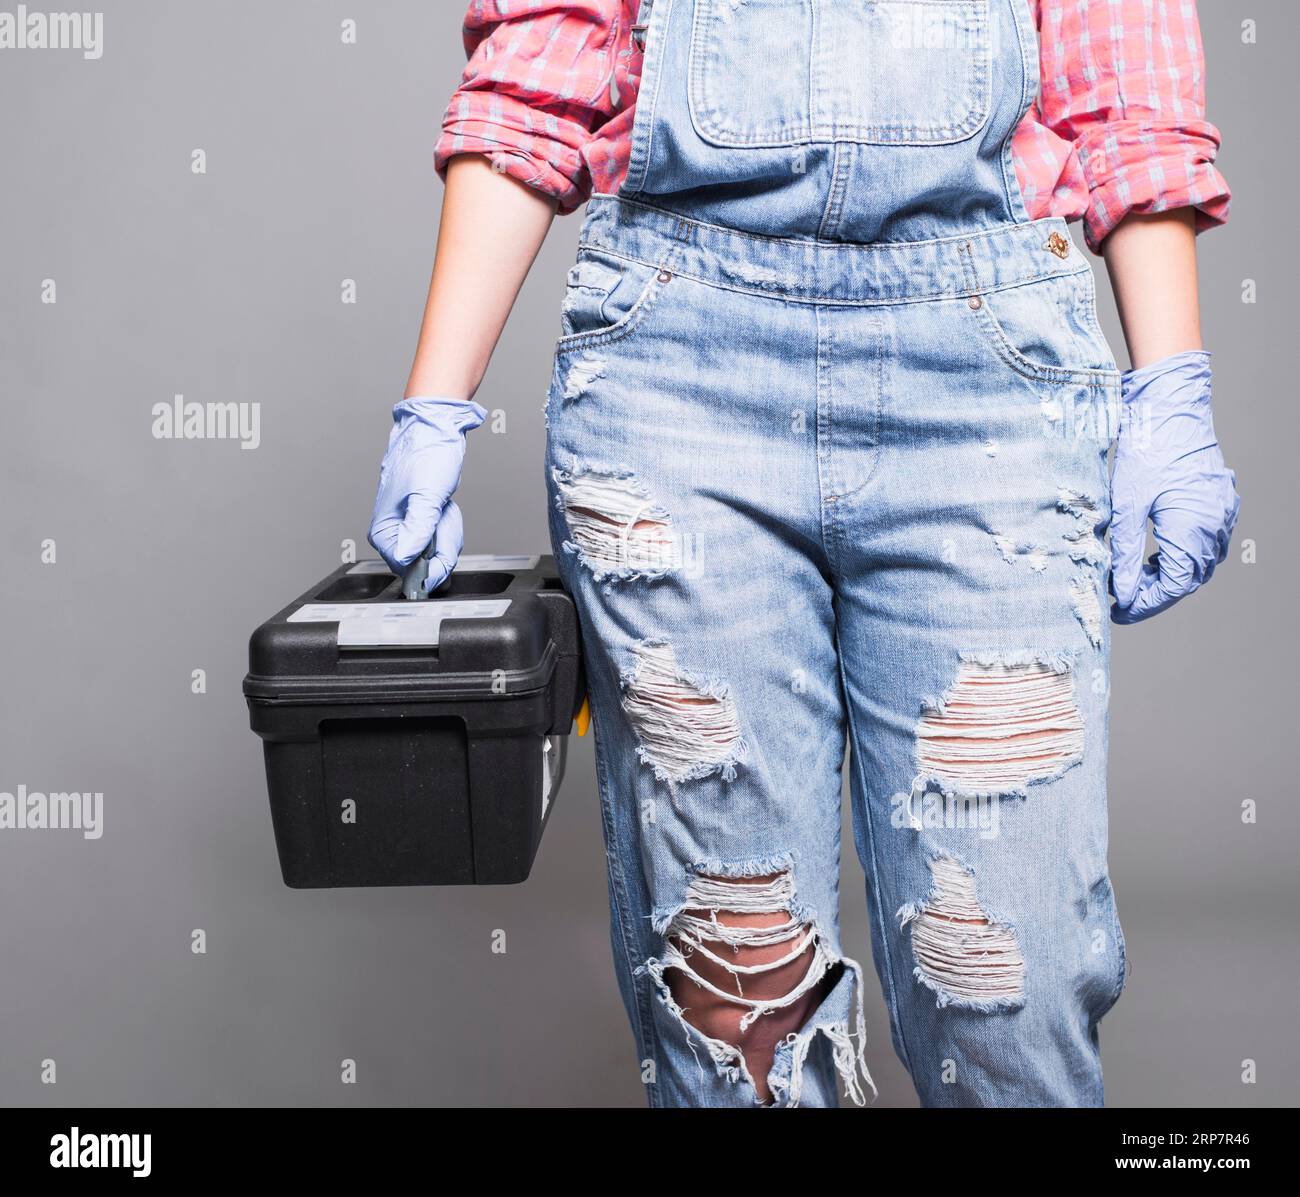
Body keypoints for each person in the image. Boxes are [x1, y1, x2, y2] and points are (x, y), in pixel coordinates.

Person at [367, 0, 1239, 1108]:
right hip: (680, 376)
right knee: (737, 1004)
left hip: (985, 373)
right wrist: (436, 401)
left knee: (1008, 986)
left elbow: (1125, 83)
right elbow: (546, 63)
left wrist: (1170, 386)